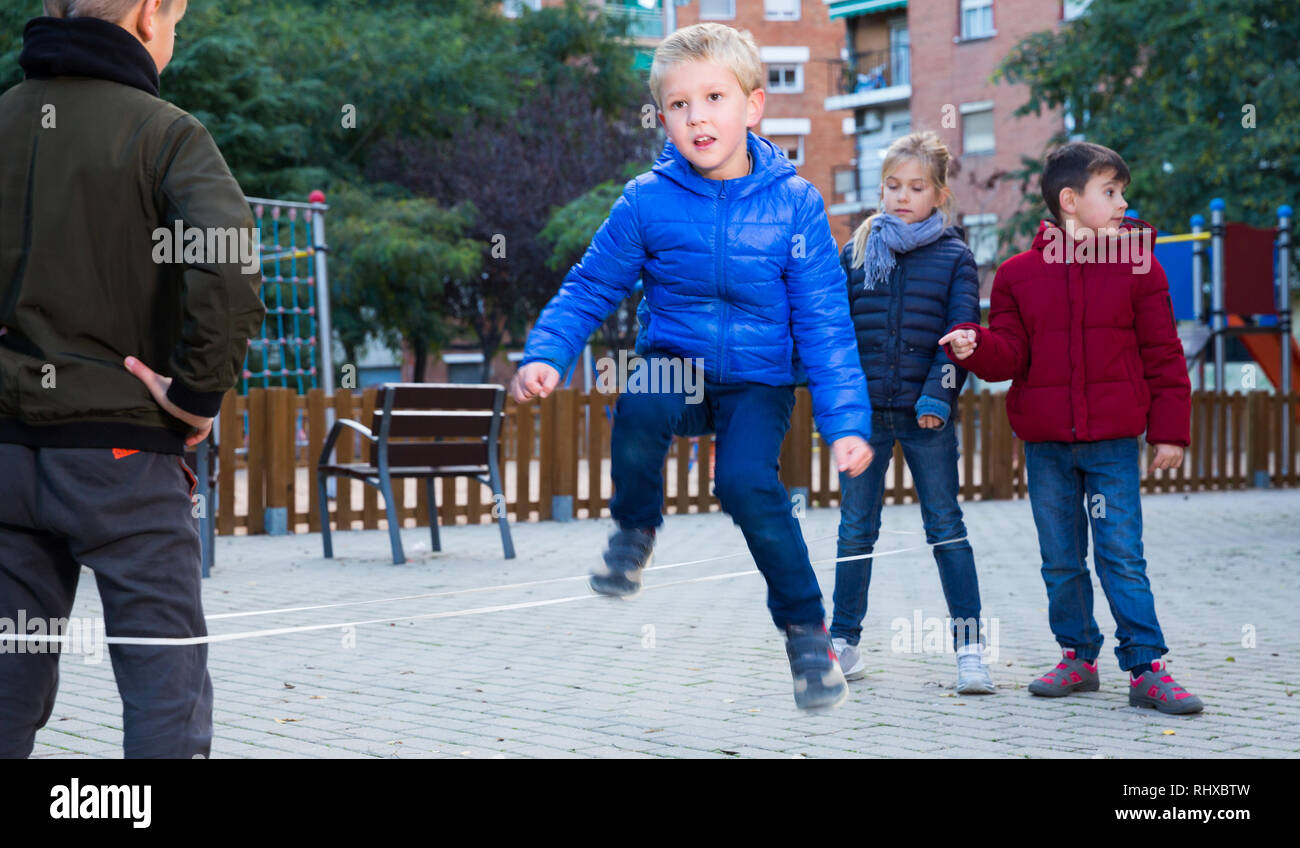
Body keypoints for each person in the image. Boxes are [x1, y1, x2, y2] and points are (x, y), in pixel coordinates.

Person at [510, 23, 873, 711]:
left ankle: (805, 633)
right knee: (643, 395)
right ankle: (635, 528)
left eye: (713, 97)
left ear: (753, 106)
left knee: (745, 486)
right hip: (677, 359)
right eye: (679, 105)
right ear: (663, 117)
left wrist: (845, 424)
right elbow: (590, 286)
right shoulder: (647, 200)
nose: (697, 115)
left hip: (759, 382)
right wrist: (547, 354)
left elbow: (826, 326)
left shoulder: (795, 204)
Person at [0, 0, 266, 757]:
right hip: (122, 457)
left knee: (6, 676)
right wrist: (194, 395)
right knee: (162, 679)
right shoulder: (165, 132)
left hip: (7, 454)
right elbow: (228, 265)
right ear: (149, 15)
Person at [940, 141, 1203, 714]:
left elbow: (1163, 353)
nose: (1122, 202)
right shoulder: (1016, 277)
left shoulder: (1141, 270)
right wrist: (975, 345)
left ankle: (1146, 667)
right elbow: (1009, 356)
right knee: (1060, 558)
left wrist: (1170, 432)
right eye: (1109, 192)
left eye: (1121, 191)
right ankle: (1078, 658)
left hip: (1112, 444)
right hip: (1047, 447)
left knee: (1121, 555)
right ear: (1069, 200)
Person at [830, 131, 994, 694]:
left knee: (945, 526)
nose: (902, 195)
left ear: (939, 194)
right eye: (893, 185)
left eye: (916, 186)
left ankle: (970, 650)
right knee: (855, 527)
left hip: (927, 416)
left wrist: (938, 395)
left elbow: (962, 334)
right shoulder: (855, 251)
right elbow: (834, 332)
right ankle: (843, 643)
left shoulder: (955, 258)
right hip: (866, 415)